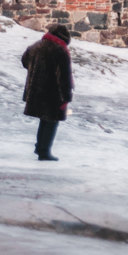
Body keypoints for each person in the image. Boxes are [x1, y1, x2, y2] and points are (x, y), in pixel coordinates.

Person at [21, 24, 73, 161]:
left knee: (44, 119)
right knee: (52, 120)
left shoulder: (37, 45)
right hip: (52, 92)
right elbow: (64, 77)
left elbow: (25, 60)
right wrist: (66, 97)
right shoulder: (60, 51)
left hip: (36, 90)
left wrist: (36, 71)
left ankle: (40, 147)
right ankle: (44, 151)